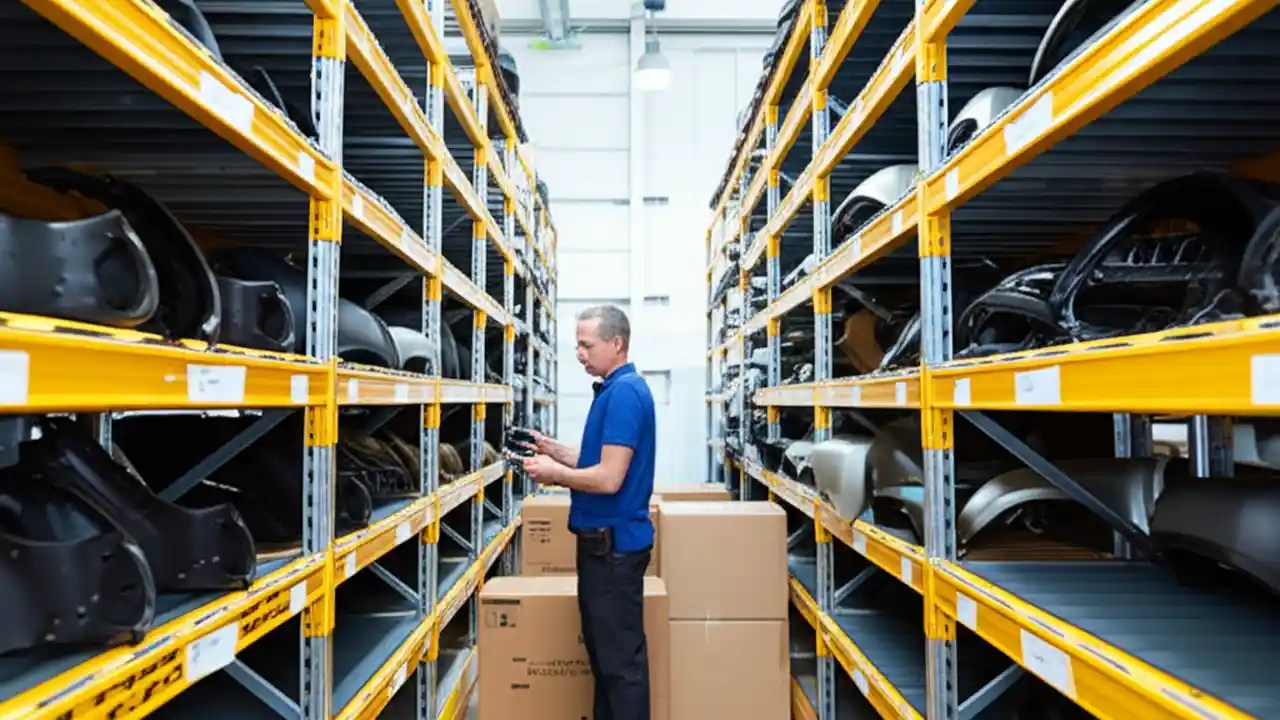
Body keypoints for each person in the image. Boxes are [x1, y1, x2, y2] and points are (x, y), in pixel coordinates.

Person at [520, 304, 656, 720]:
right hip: (604, 549)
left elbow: (609, 478)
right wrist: (550, 449)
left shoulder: (626, 395)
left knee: (620, 669)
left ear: (617, 344)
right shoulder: (613, 390)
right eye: (577, 344)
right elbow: (597, 459)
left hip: (613, 552)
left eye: (586, 344)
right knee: (607, 662)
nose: (578, 353)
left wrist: (555, 475)